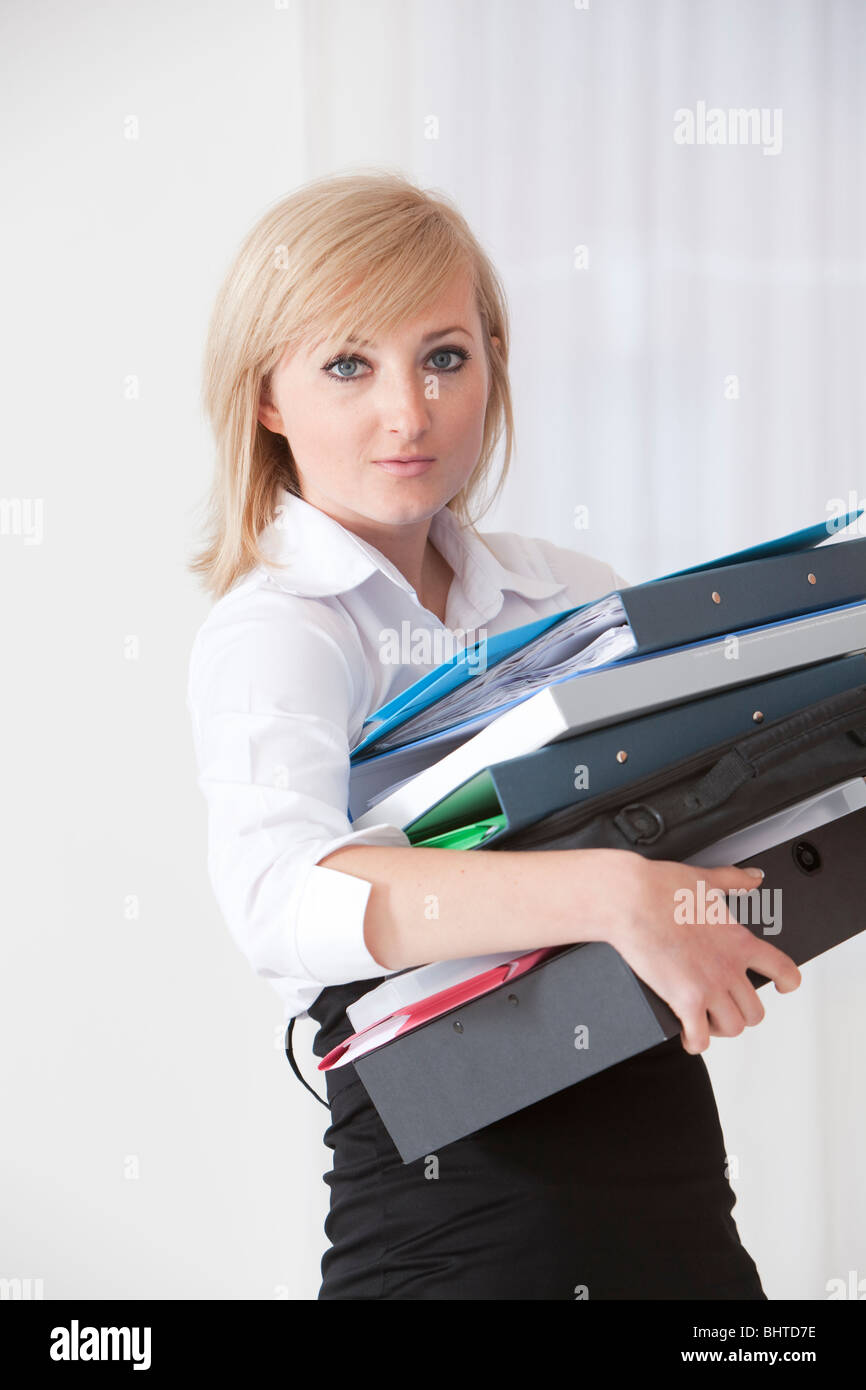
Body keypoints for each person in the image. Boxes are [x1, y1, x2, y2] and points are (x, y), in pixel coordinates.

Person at [186, 171, 801, 1300]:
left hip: (664, 1175)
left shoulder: (570, 599)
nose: (408, 411)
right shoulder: (278, 628)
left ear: (492, 358)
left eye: (444, 355)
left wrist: (743, 895)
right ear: (267, 397)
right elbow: (277, 898)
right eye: (346, 365)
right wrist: (608, 895)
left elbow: (707, 848)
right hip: (458, 1212)